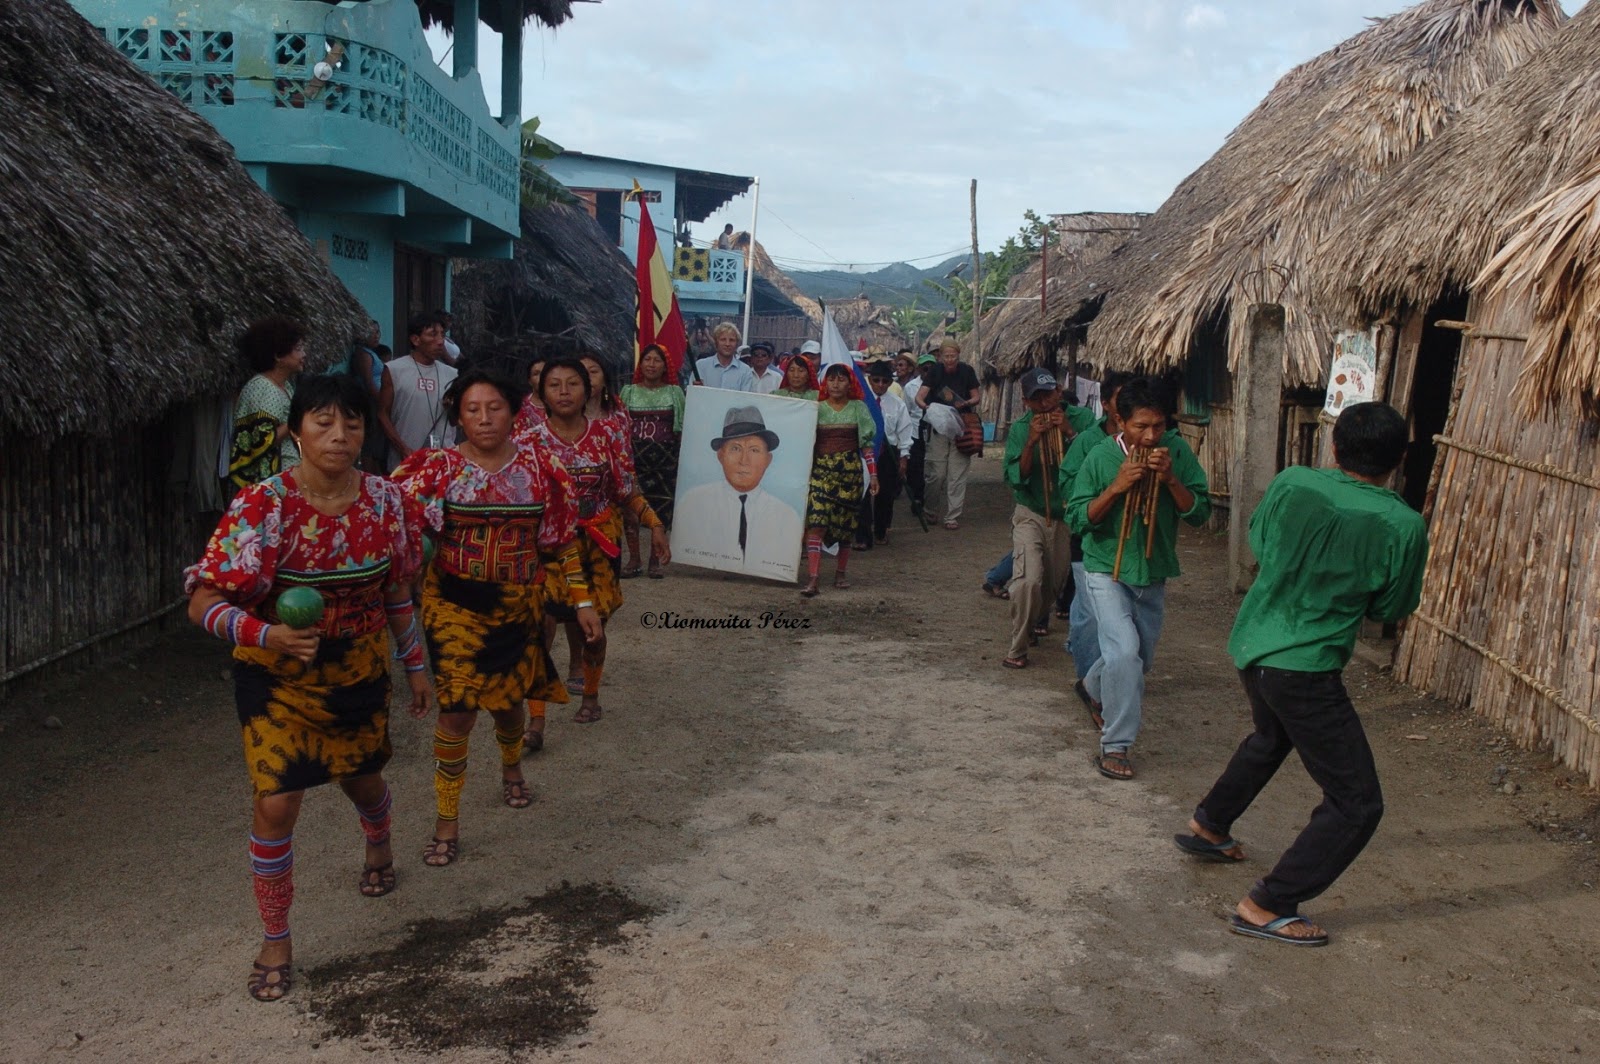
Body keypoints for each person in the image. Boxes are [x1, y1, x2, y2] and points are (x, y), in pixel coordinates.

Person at [184, 373, 432, 1002]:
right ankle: (276, 937)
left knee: (363, 779)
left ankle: (378, 840)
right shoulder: (261, 506)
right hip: (276, 676)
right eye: (323, 421)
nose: (338, 434)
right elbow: (202, 602)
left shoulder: (387, 502)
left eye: (352, 422)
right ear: (295, 431)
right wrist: (266, 634)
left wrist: (414, 665)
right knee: (276, 800)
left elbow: (397, 591)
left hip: (357, 668)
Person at [1176, 402, 1426, 947]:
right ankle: (1267, 903)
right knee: (1358, 803)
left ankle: (1210, 824)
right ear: (1401, 459)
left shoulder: (1293, 482)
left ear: (1334, 447)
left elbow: (1261, 543)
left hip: (1254, 645)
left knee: (1271, 737)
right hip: (1305, 669)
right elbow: (1391, 606)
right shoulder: (1403, 524)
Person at [392, 368, 598, 868]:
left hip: (517, 606)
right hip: (453, 607)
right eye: (472, 410)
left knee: (508, 706)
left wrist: (583, 599)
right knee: (457, 711)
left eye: (494, 408)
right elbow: (394, 523)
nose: (484, 418)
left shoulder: (541, 467)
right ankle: (447, 821)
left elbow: (560, 539)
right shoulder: (434, 469)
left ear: (514, 412)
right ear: (458, 417)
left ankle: (511, 767)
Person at [1067, 377, 1209, 780]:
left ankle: (1092, 685)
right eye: (1140, 426)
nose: (1150, 436)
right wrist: (1116, 488)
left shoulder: (1176, 453)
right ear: (1119, 421)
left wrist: (1171, 480)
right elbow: (1078, 518)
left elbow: (1198, 513)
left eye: (1158, 426)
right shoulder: (1099, 456)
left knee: (1138, 660)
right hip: (1104, 568)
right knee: (1125, 653)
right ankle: (1116, 745)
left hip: (1153, 568)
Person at [525, 358, 668, 724]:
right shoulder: (527, 443)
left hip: (599, 547)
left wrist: (654, 524)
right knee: (539, 629)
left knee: (593, 631)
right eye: (554, 385)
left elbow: (625, 490)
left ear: (587, 390)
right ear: (542, 392)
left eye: (573, 384)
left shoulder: (606, 435)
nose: (564, 392)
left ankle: (590, 696)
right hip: (549, 548)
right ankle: (536, 719)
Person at [999, 369, 1095, 669]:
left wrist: (1070, 433)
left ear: (1059, 391)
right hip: (1032, 512)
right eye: (1036, 399)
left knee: (1052, 585)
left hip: (1065, 517)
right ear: (1026, 402)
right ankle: (1017, 647)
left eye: (1049, 395)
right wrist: (1031, 442)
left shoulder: (1083, 420)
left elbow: (1095, 464)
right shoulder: (1021, 428)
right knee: (1027, 581)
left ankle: (1033, 619)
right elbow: (1017, 477)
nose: (1045, 404)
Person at [1057, 370, 1134, 720]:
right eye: (1122, 399)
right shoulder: (1088, 442)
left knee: (1127, 627)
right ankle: (1093, 687)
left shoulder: (1157, 446)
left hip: (1130, 549)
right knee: (1089, 615)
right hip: (1088, 542)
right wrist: (1110, 491)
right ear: (1106, 404)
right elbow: (1070, 491)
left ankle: (1100, 679)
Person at [675, 405, 804, 578]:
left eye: (754, 450)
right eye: (735, 449)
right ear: (720, 456)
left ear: (768, 460)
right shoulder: (692, 503)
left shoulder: (787, 517)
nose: (744, 460)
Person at [802, 363, 877, 597]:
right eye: (831, 379)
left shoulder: (858, 408)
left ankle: (840, 573)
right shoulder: (816, 408)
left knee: (846, 526)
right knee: (816, 522)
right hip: (820, 474)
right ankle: (813, 578)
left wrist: (873, 474)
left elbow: (866, 445)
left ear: (849, 383)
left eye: (841, 379)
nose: (835, 384)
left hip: (849, 475)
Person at [618, 344, 685, 579]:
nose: (652, 364)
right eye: (647, 359)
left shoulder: (675, 393)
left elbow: (681, 428)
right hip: (634, 459)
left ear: (665, 366)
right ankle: (634, 559)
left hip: (665, 462)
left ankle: (654, 561)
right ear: (641, 364)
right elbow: (620, 427)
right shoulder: (628, 392)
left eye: (657, 360)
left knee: (661, 510)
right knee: (631, 510)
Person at [229, 316, 306, 487]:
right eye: (298, 349)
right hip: (268, 483)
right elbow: (262, 440)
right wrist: (296, 418)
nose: (303, 355)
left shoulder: (286, 386)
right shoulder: (263, 389)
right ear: (278, 356)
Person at [915, 340, 980, 530]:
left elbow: (976, 396)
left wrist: (966, 403)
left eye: (953, 356)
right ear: (940, 357)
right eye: (946, 356)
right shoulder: (935, 371)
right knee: (936, 473)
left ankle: (952, 516)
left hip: (961, 426)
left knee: (957, 474)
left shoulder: (967, 371)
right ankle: (930, 509)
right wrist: (928, 408)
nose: (950, 360)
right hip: (939, 426)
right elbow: (920, 396)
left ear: (958, 355)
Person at [380, 314, 457, 471]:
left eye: (442, 334)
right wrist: (402, 448)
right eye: (433, 334)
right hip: (405, 461)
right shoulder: (394, 370)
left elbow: (457, 421)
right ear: (415, 340)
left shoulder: (452, 374)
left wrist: (453, 408)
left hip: (444, 463)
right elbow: (382, 414)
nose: (440, 341)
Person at [860, 360, 914, 547]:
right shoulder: (861, 401)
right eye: (876, 380)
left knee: (885, 495)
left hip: (887, 452)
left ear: (891, 383)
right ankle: (862, 535)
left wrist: (904, 457)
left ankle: (881, 531)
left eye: (885, 381)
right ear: (870, 380)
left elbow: (905, 431)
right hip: (864, 452)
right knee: (863, 493)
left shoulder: (897, 404)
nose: (880, 385)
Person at [901, 352, 932, 520]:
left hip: (934, 430)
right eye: (925, 368)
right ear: (919, 369)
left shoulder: (940, 384)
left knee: (932, 467)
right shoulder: (910, 387)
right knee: (916, 466)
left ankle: (930, 499)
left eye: (931, 368)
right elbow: (906, 410)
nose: (928, 371)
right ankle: (918, 499)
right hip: (915, 429)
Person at [694, 323, 755, 391]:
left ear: (737, 344)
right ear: (716, 342)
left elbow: (745, 397)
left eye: (731, 340)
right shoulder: (701, 366)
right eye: (723, 339)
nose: (727, 344)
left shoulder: (745, 371)